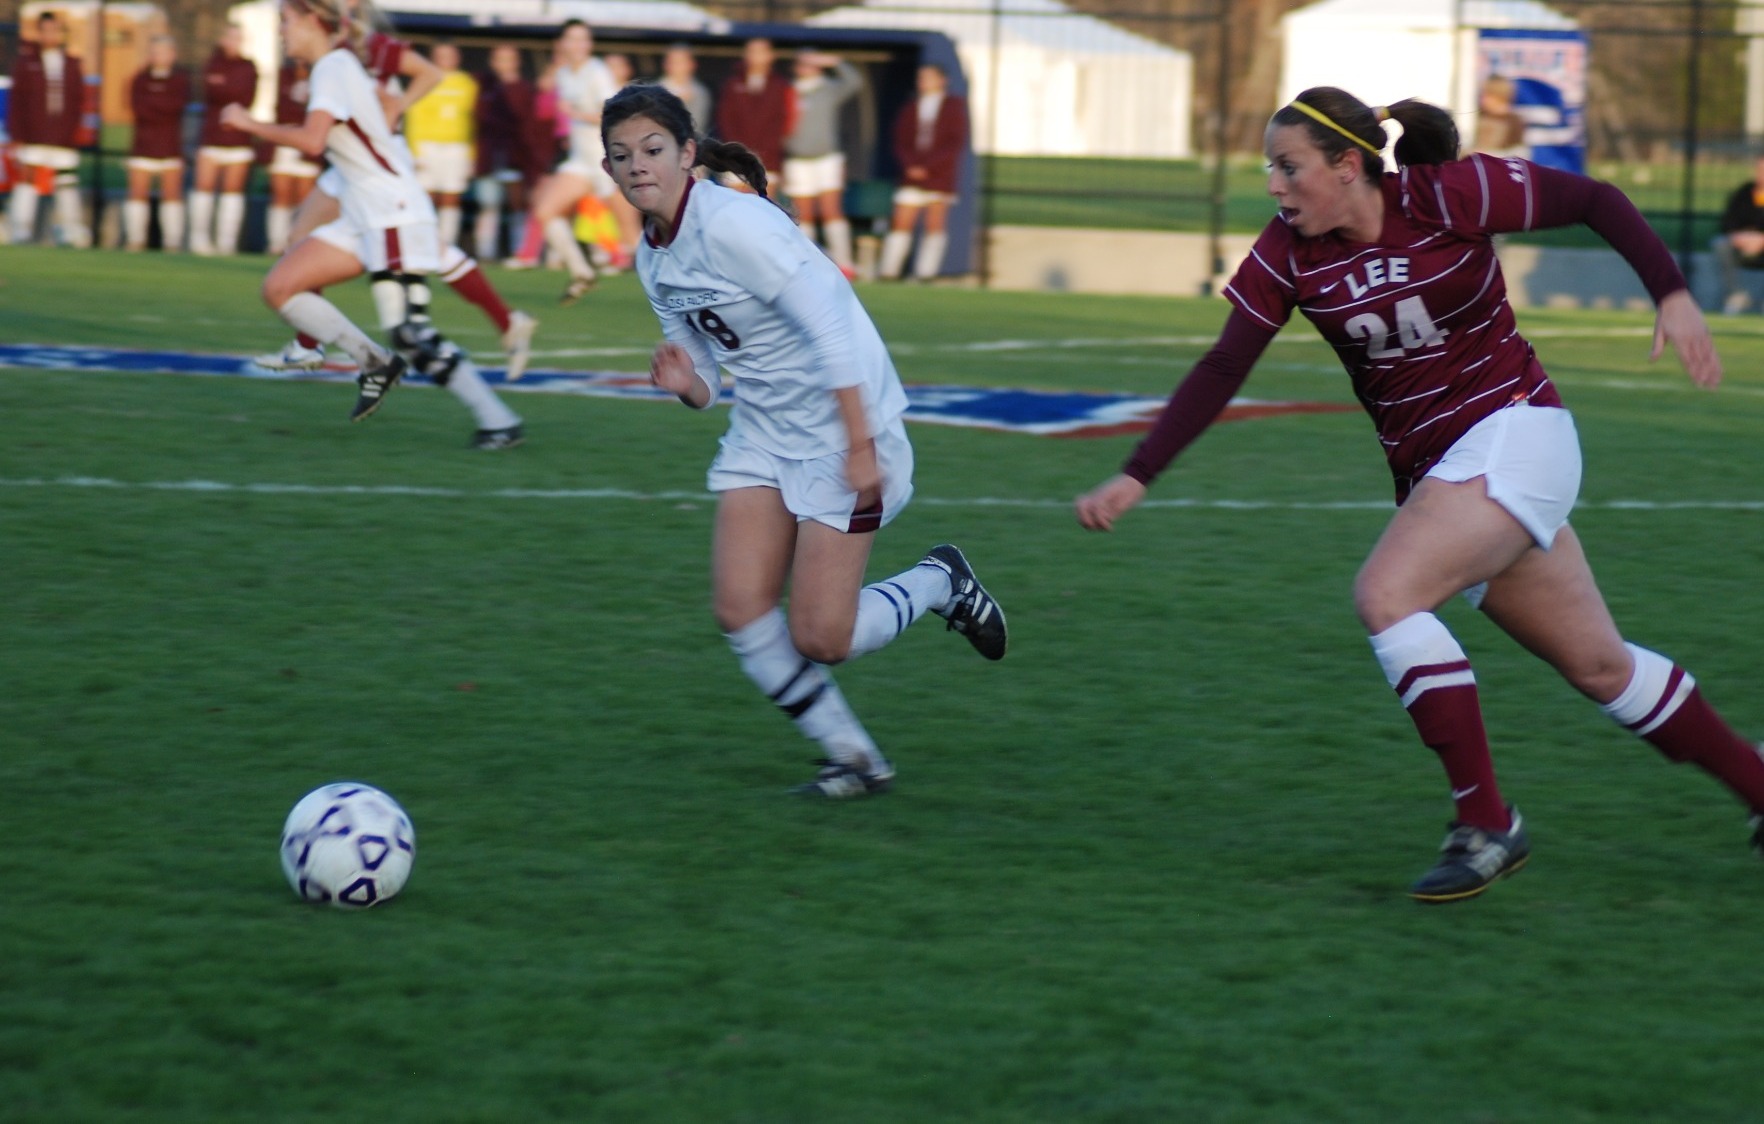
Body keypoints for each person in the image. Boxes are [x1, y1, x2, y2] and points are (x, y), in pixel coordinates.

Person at [1075, 86, 1764, 903]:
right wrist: (1137, 471)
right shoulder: (1288, 253)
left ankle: (1487, 822)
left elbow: (1596, 199)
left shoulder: (1447, 194)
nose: (1275, 185)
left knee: (1387, 593)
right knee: (1601, 667)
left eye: (1289, 167)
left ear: (1347, 165)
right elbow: (1225, 366)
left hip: (1517, 430)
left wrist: (1672, 292)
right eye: (1270, 168)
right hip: (1444, 475)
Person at [600, 83, 1008, 797]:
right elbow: (708, 379)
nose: (638, 166)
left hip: (843, 425)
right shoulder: (653, 257)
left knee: (824, 636)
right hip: (762, 430)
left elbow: (831, 324)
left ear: (688, 153)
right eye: (621, 155)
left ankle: (941, 581)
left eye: (653, 149)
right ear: (608, 170)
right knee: (740, 609)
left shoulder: (736, 225)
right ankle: (855, 759)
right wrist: (684, 381)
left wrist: (859, 443)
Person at [224, 0, 525, 450]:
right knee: (281, 287)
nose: (282, 33)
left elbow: (311, 140)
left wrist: (250, 123)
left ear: (311, 21)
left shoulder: (332, 66)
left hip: (391, 211)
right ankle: (374, 362)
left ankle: (497, 419)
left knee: (411, 334)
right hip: (363, 211)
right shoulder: (335, 64)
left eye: (285, 22)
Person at [506, 19, 617, 303]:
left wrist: (577, 115)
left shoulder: (598, 71)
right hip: (581, 160)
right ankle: (582, 272)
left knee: (634, 235)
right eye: (573, 39)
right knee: (544, 211)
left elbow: (614, 114)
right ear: (562, 44)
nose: (579, 45)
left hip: (607, 160)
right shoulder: (565, 74)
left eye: (584, 39)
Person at [7, 11, 89, 247]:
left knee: (66, 182)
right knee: (28, 180)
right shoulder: (26, 63)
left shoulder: (72, 63)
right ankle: (21, 229)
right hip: (34, 134)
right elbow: (18, 102)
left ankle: (71, 230)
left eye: (56, 30)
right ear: (39, 33)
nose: (51, 35)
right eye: (46, 30)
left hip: (63, 136)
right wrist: (18, 135)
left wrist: (75, 132)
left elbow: (77, 101)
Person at [879, 63, 967, 282]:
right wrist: (911, 166)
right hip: (911, 176)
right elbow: (900, 140)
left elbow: (953, 142)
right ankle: (889, 271)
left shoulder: (953, 107)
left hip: (939, 176)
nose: (923, 82)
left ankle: (926, 273)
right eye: (921, 78)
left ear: (942, 80)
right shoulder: (910, 107)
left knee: (934, 223)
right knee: (901, 221)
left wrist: (929, 167)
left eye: (928, 77)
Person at [783, 49, 863, 278]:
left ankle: (845, 264)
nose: (805, 68)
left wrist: (833, 60)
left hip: (827, 158)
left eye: (810, 63)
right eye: (801, 64)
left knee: (831, 210)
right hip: (797, 159)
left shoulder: (828, 88)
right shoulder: (789, 91)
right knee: (803, 214)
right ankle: (809, 263)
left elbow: (854, 81)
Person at [189, 23, 259, 256]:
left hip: (238, 137)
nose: (234, 42)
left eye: (238, 38)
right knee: (204, 187)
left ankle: (226, 242)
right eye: (230, 37)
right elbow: (213, 93)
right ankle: (199, 239)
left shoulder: (248, 66)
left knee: (232, 191)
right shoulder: (212, 64)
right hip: (212, 134)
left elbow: (244, 97)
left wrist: (226, 89)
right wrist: (228, 91)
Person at [404, 40, 477, 249]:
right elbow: (413, 114)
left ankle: (445, 245)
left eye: (450, 55)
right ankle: (421, 243)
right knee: (425, 196)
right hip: (427, 146)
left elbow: (472, 120)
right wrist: (414, 151)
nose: (445, 60)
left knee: (451, 196)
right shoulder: (425, 79)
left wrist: (472, 154)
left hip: (457, 148)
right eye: (441, 55)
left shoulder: (467, 83)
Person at [470, 43, 540, 261]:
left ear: (517, 62)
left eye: (508, 59)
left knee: (517, 205)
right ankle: (485, 254)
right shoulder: (483, 87)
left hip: (516, 157)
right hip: (490, 156)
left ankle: (519, 252)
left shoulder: (526, 89)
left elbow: (529, 125)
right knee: (488, 204)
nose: (504, 64)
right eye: (499, 59)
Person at [124, 34, 189, 252]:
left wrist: (157, 105)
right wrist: (160, 107)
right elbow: (139, 109)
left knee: (171, 195)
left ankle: (172, 242)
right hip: (143, 145)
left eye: (162, 51)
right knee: (137, 193)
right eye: (154, 51)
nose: (157, 56)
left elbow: (175, 107)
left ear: (172, 55)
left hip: (169, 145)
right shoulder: (139, 80)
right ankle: (135, 240)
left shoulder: (180, 80)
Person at [714, 38, 792, 193]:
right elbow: (725, 119)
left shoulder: (780, 85)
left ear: (771, 55)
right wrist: (737, 151)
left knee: (764, 209)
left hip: (769, 160)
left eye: (761, 51)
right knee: (736, 210)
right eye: (752, 51)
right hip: (736, 160)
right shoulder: (732, 83)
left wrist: (770, 149)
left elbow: (787, 121)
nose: (757, 56)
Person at [266, 56, 322, 255]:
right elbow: (281, 109)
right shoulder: (282, 76)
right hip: (284, 140)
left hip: (306, 143)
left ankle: (298, 243)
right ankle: (276, 243)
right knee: (281, 195)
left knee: (304, 198)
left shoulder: (321, 79)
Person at [1712, 152, 1764, 316]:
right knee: (1720, 244)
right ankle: (1735, 295)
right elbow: (1728, 221)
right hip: (1742, 245)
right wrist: (1738, 237)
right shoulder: (1744, 193)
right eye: (1759, 169)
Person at [657, 42, 711, 135]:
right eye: (674, 62)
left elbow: (699, 125)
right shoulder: (654, 91)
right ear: (666, 65)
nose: (678, 66)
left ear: (692, 64)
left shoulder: (701, 92)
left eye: (682, 61)